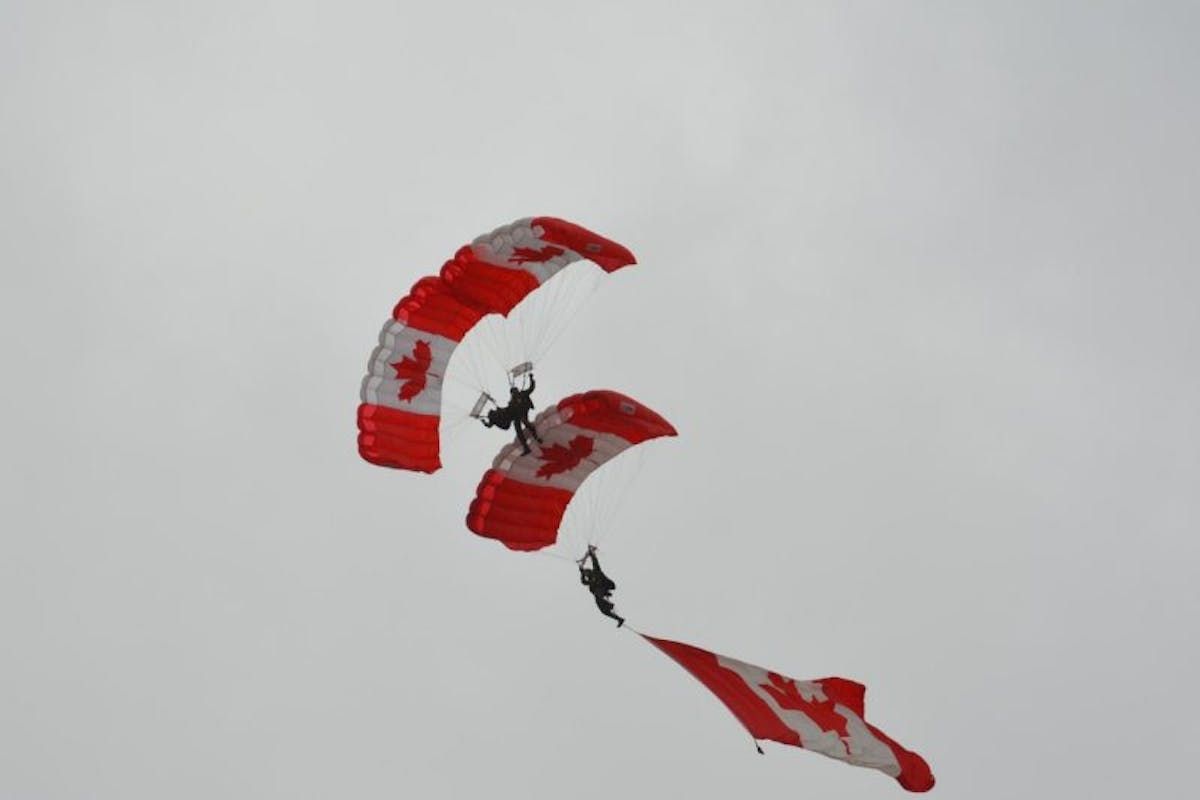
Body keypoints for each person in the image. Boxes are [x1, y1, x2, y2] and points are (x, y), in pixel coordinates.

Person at [480, 374, 540, 455]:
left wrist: (531, 378)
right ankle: (526, 448)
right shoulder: (511, 401)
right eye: (512, 393)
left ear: (517, 391)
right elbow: (506, 410)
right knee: (519, 432)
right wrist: (498, 410)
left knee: (527, 424)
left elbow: (531, 388)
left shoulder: (523, 394)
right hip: (515, 416)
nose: (513, 394)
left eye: (514, 392)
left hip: (522, 413)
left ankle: (536, 437)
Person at [578, 545, 625, 627]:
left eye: (587, 572)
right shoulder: (589, 582)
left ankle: (609, 604)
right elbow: (583, 582)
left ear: (590, 571)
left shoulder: (596, 571)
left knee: (598, 595)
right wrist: (581, 572)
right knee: (603, 610)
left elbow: (595, 561)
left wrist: (592, 554)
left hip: (605, 586)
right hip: (600, 593)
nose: (586, 574)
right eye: (585, 574)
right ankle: (619, 619)